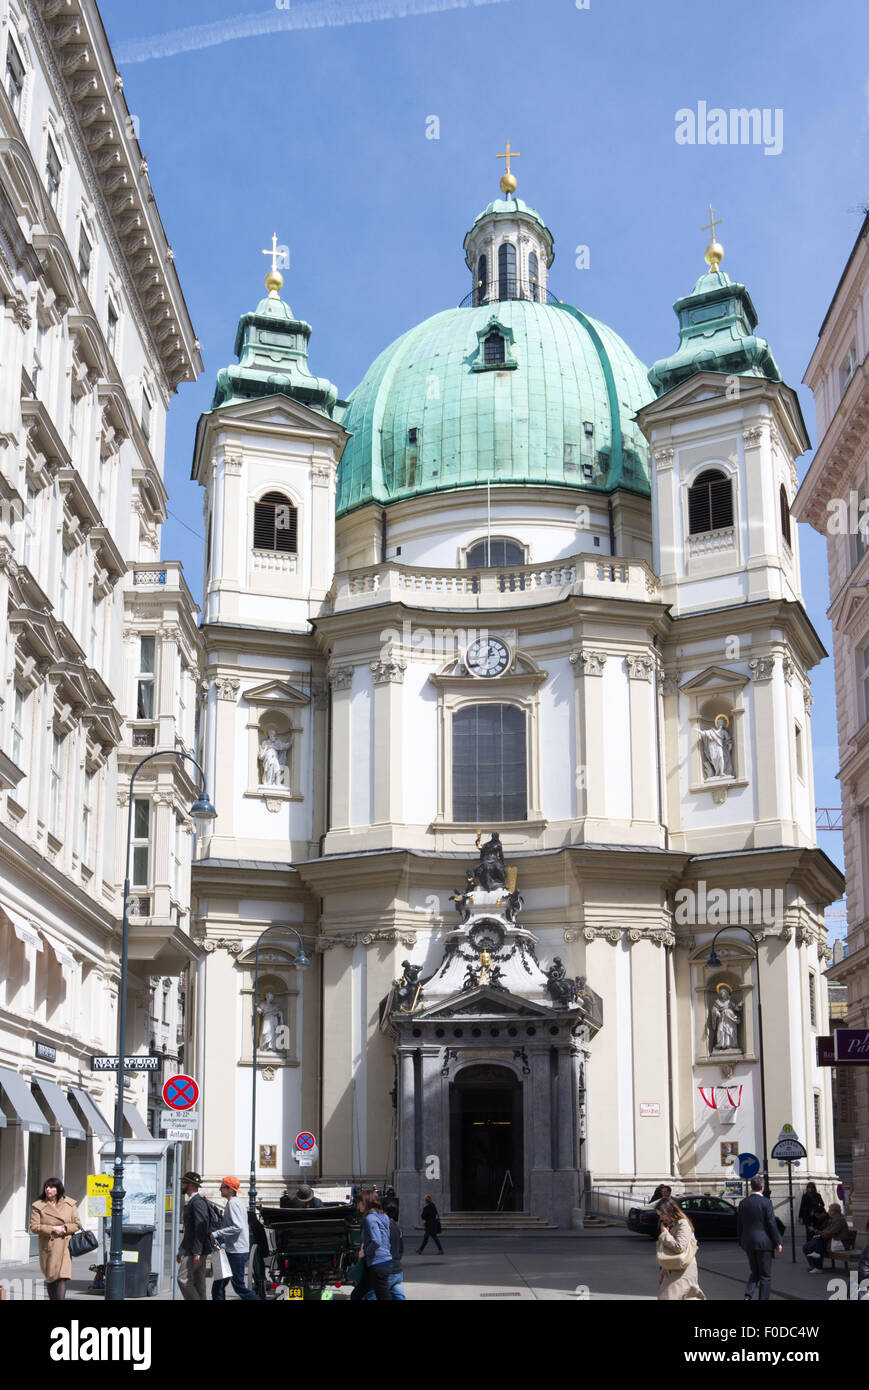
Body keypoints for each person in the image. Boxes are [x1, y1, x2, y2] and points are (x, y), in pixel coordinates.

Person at [29, 1177, 81, 1301]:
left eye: (51, 1187)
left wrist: (64, 1228)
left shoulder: (70, 1204)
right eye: (46, 1187)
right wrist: (53, 1229)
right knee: (51, 1278)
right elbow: (34, 1227)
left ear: (58, 1189)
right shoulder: (38, 1205)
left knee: (62, 1277)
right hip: (48, 1246)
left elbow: (77, 1224)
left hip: (65, 1246)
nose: (48, 1189)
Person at [211, 1176, 259, 1301]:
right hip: (233, 1249)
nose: (220, 1190)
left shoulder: (233, 1204)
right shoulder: (234, 1203)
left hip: (237, 1251)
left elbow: (237, 1227)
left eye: (222, 1187)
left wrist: (217, 1233)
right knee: (219, 1283)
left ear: (230, 1190)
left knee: (238, 1285)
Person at [736, 1175, 782, 1300]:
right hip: (764, 1243)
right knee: (765, 1276)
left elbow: (740, 1225)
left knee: (755, 1272)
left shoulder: (743, 1203)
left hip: (748, 1243)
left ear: (752, 1187)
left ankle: (748, 1295)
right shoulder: (766, 1202)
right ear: (762, 1187)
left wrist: (741, 1242)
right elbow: (771, 1223)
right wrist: (778, 1242)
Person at [655, 1198, 706, 1300]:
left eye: (662, 1214)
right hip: (674, 1268)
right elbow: (668, 1252)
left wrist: (665, 1234)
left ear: (669, 1211)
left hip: (683, 1269)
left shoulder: (683, 1224)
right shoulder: (672, 1224)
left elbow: (679, 1247)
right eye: (659, 1215)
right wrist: (663, 1273)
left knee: (668, 1296)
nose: (661, 1218)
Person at [361, 1198, 406, 1301]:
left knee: (371, 1295)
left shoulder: (382, 1226)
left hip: (386, 1269)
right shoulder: (398, 1227)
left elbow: (378, 1244)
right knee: (399, 1296)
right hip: (398, 1270)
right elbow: (401, 1249)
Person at [177, 1170, 211, 1300]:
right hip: (193, 1248)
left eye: (183, 1182)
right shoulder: (193, 1202)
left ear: (190, 1185)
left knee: (183, 1279)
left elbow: (200, 1228)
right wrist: (181, 1250)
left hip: (195, 1249)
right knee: (198, 1281)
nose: (181, 1185)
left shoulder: (197, 1203)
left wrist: (197, 1251)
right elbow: (189, 1231)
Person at [355, 1190, 394, 1300]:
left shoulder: (370, 1218)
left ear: (366, 1202)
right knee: (357, 1295)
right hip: (382, 1261)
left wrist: (365, 1252)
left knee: (383, 1296)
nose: (358, 1205)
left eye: (360, 1202)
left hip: (378, 1263)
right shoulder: (383, 1216)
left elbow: (376, 1241)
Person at [803, 1202, 850, 1273]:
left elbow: (830, 1232)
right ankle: (814, 1266)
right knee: (806, 1246)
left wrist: (819, 1233)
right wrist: (820, 1234)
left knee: (813, 1245)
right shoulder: (834, 1219)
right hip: (832, 1241)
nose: (828, 1212)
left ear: (834, 1211)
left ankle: (818, 1267)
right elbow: (827, 1230)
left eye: (830, 1210)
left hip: (840, 1243)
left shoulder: (839, 1220)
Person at [798, 1182, 826, 1246]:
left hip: (816, 1216)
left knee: (815, 1230)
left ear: (814, 1188)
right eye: (809, 1187)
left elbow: (822, 1204)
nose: (810, 1189)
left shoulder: (817, 1195)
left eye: (811, 1187)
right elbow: (802, 1206)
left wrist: (816, 1205)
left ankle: (814, 1244)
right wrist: (800, 1216)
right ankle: (809, 1244)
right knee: (808, 1231)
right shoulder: (805, 1196)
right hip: (807, 1216)